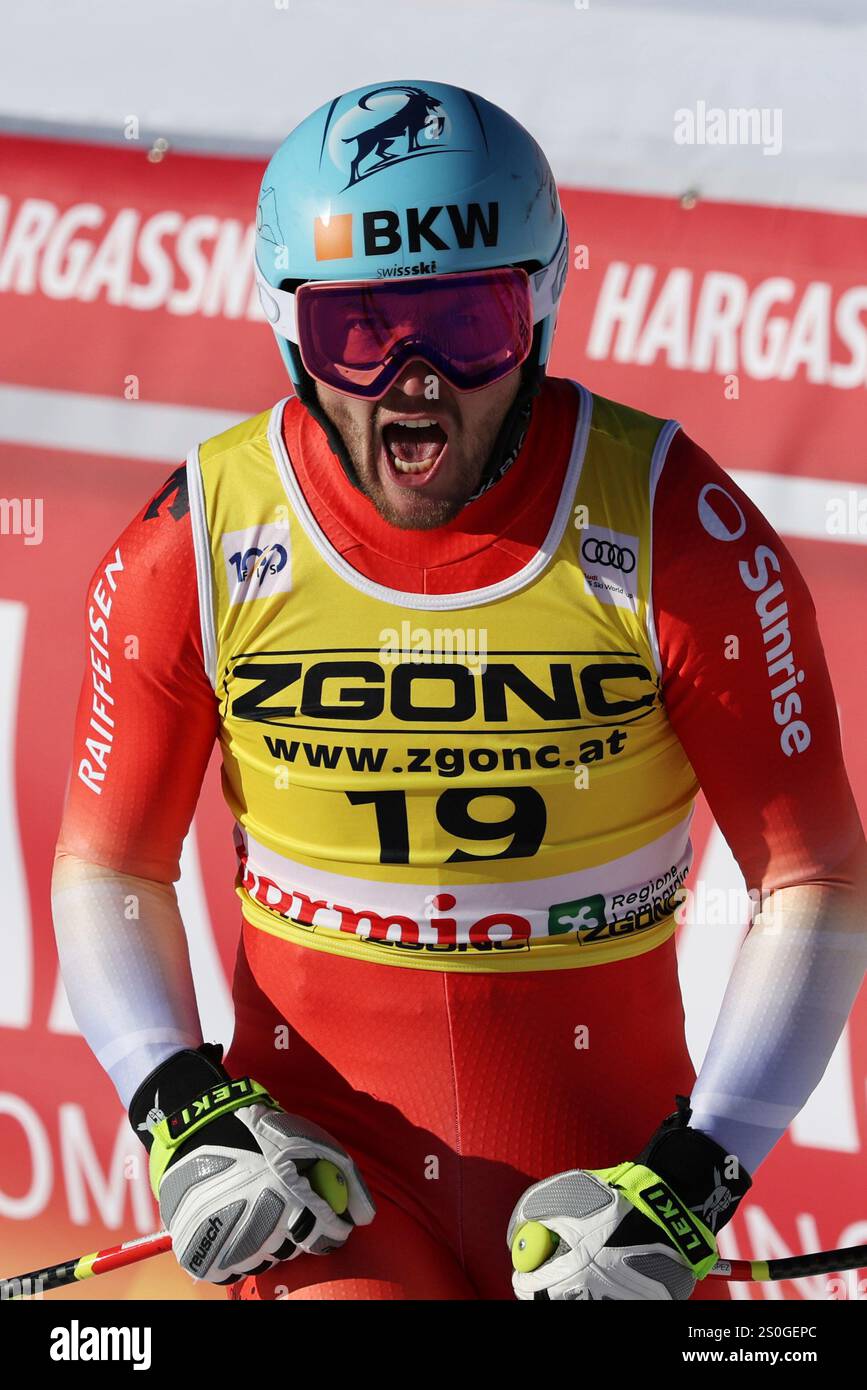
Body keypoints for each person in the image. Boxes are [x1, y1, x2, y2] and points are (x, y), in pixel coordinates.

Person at [52, 80, 866, 1302]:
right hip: (334, 1187)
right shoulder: (201, 537)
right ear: (288, 332)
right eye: (360, 333)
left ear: (538, 310)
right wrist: (178, 1106)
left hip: (607, 1197)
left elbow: (816, 878)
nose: (413, 381)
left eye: (466, 326)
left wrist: (695, 1180)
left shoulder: (677, 531)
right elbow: (107, 866)